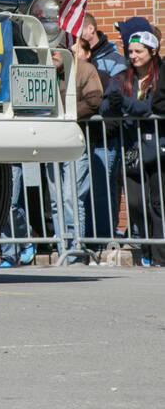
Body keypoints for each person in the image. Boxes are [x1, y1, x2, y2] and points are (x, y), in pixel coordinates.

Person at [103, 30, 165, 265]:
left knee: (158, 203)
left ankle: (160, 256)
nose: (133, 56)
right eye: (130, 51)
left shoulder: (160, 77)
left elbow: (152, 108)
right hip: (131, 150)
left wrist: (127, 103)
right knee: (136, 204)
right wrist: (117, 105)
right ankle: (148, 250)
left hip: (158, 149)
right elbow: (105, 107)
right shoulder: (121, 77)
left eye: (138, 51)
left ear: (152, 51)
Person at [49, 36, 102, 264]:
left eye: (58, 49)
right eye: (49, 50)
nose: (53, 54)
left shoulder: (85, 69)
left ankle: (76, 247)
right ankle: (63, 245)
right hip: (51, 143)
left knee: (72, 196)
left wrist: (64, 114)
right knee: (55, 199)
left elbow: (94, 100)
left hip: (74, 141)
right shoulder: (45, 74)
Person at [79, 14, 127, 247]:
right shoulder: (79, 60)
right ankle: (89, 241)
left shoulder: (114, 59)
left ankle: (103, 241)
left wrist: (106, 122)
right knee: (85, 192)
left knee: (102, 191)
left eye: (80, 30)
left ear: (91, 29)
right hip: (85, 136)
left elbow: (114, 96)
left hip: (105, 137)